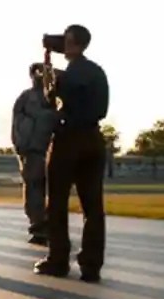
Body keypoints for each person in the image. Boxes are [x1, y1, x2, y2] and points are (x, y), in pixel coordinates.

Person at [34, 25, 109, 282]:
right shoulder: (97, 72)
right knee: (93, 206)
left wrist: (47, 69)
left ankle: (58, 259)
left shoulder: (69, 75)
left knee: (56, 202)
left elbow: (50, 98)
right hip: (94, 139)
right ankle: (91, 264)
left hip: (68, 139)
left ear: (73, 43)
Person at [12, 63, 57, 245]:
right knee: (33, 190)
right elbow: (17, 124)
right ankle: (37, 224)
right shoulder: (25, 98)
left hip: (53, 150)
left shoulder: (54, 98)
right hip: (33, 152)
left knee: (53, 191)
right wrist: (21, 147)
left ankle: (51, 225)